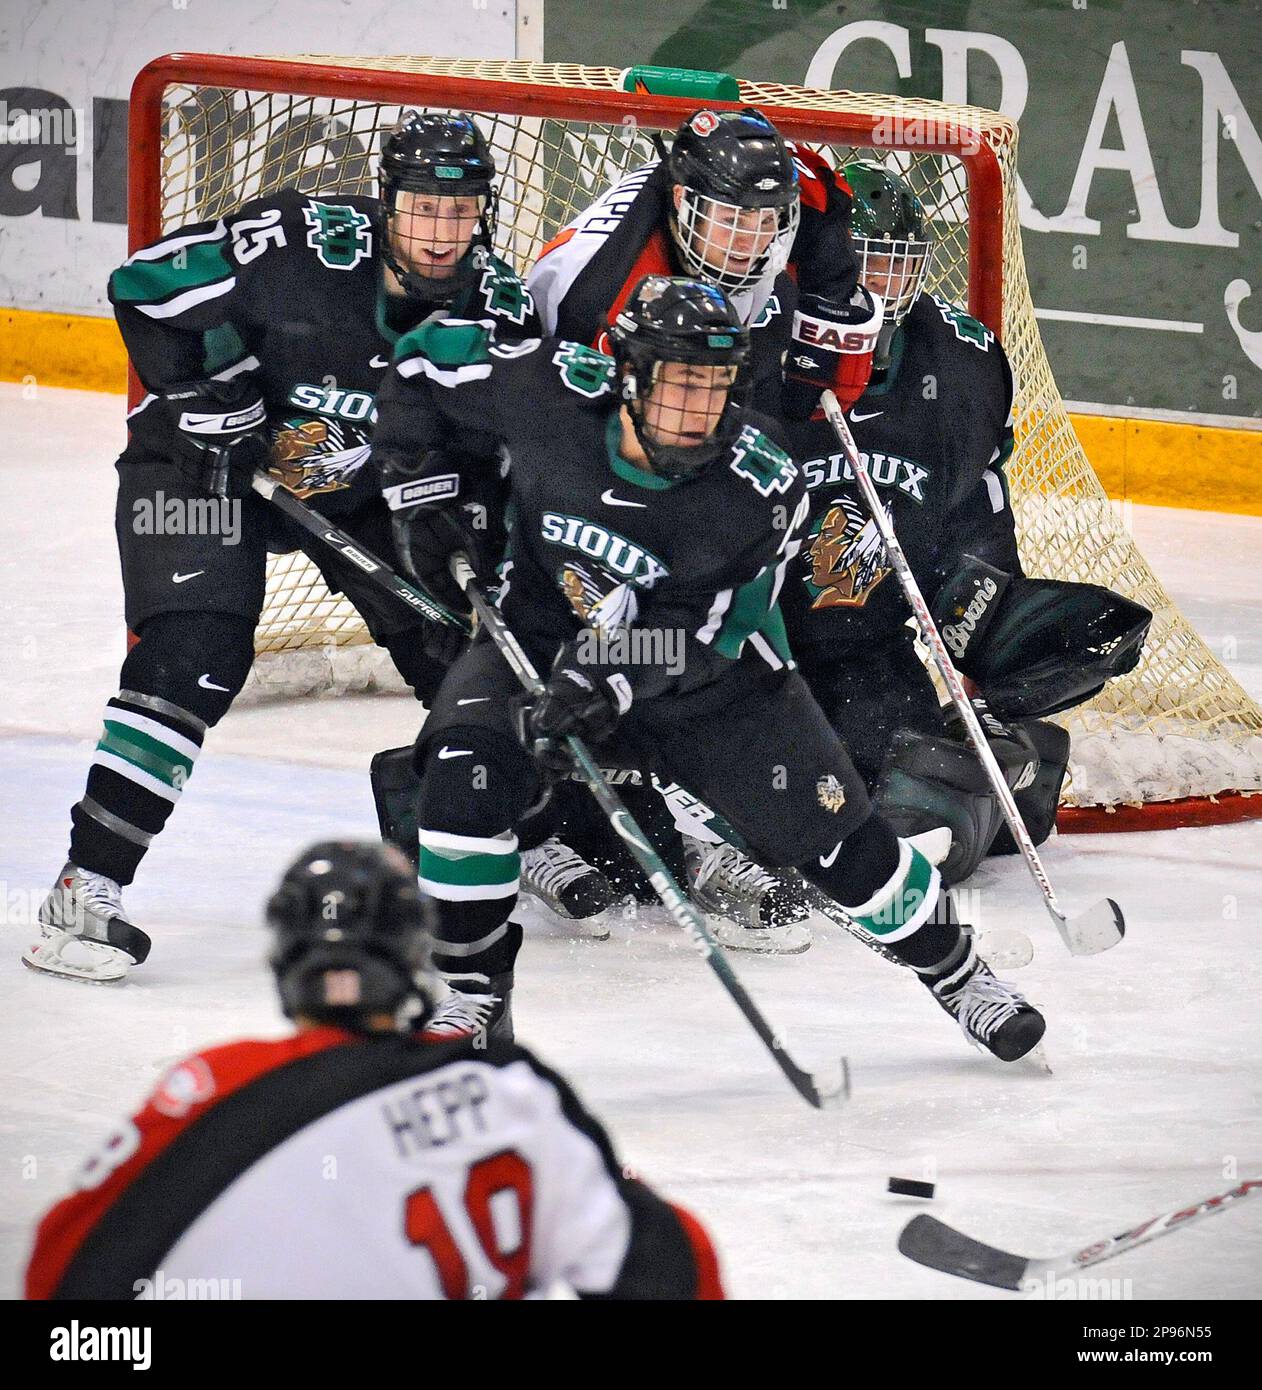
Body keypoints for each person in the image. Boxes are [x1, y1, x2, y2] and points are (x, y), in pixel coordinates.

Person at [371, 273, 1046, 1065]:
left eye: (716, 387)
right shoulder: (542, 390)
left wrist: (601, 681)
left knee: (842, 849)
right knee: (461, 777)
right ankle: (476, 995)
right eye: (680, 383)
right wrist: (424, 489)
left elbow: (695, 629)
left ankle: (958, 974)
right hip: (535, 639)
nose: (698, 411)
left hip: (718, 684)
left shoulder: (755, 485)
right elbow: (420, 359)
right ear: (628, 373)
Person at [25, 111, 540, 982]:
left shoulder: (497, 308)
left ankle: (431, 812)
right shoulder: (300, 242)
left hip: (360, 490)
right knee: (197, 653)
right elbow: (143, 283)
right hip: (202, 470)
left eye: (462, 211)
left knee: (468, 650)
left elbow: (499, 445)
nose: (441, 233)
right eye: (422, 208)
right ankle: (86, 889)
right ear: (387, 202)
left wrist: (461, 522)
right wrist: (204, 397)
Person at [25, 840, 722, 1299]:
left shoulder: (218, 1091)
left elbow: (62, 1290)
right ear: (414, 962)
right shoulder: (515, 1093)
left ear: (282, 962)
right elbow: (680, 1274)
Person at [523, 106, 885, 948]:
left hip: (702, 397)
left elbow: (833, 361)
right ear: (683, 204)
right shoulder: (596, 284)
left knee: (733, 611)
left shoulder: (805, 203)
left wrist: (828, 293)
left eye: (765, 222)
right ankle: (551, 820)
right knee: (616, 627)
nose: (745, 239)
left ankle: (727, 822)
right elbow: (552, 423)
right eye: (727, 217)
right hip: (586, 443)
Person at [780, 161, 1151, 883]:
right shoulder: (763, 347)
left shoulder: (959, 362)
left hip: (869, 649)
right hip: (760, 652)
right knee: (810, 807)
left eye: (897, 267)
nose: (880, 291)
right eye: (863, 268)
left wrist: (994, 630)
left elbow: (973, 510)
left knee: (943, 792)